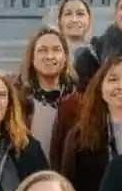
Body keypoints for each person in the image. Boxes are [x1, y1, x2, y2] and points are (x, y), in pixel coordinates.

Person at [57, 55, 122, 191]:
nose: (121, 86)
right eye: (113, 79)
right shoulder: (79, 136)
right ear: (100, 88)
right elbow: (68, 189)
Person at [13, 26, 77, 165]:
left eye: (56, 50)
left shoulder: (78, 100)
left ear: (65, 56)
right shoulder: (16, 99)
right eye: (42, 50)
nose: (49, 56)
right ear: (32, 58)